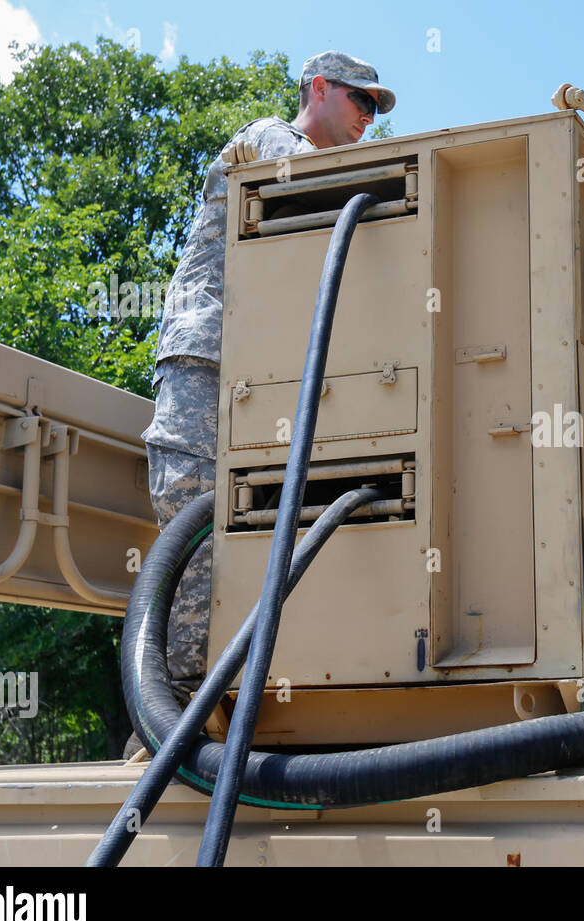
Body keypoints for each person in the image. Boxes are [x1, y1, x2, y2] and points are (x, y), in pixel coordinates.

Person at [134, 52, 395, 751]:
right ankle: (175, 706)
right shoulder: (266, 137)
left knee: (256, 520)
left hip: (259, 373)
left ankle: (229, 692)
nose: (369, 121)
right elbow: (302, 175)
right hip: (205, 353)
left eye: (377, 112)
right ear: (318, 88)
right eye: (361, 103)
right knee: (191, 509)